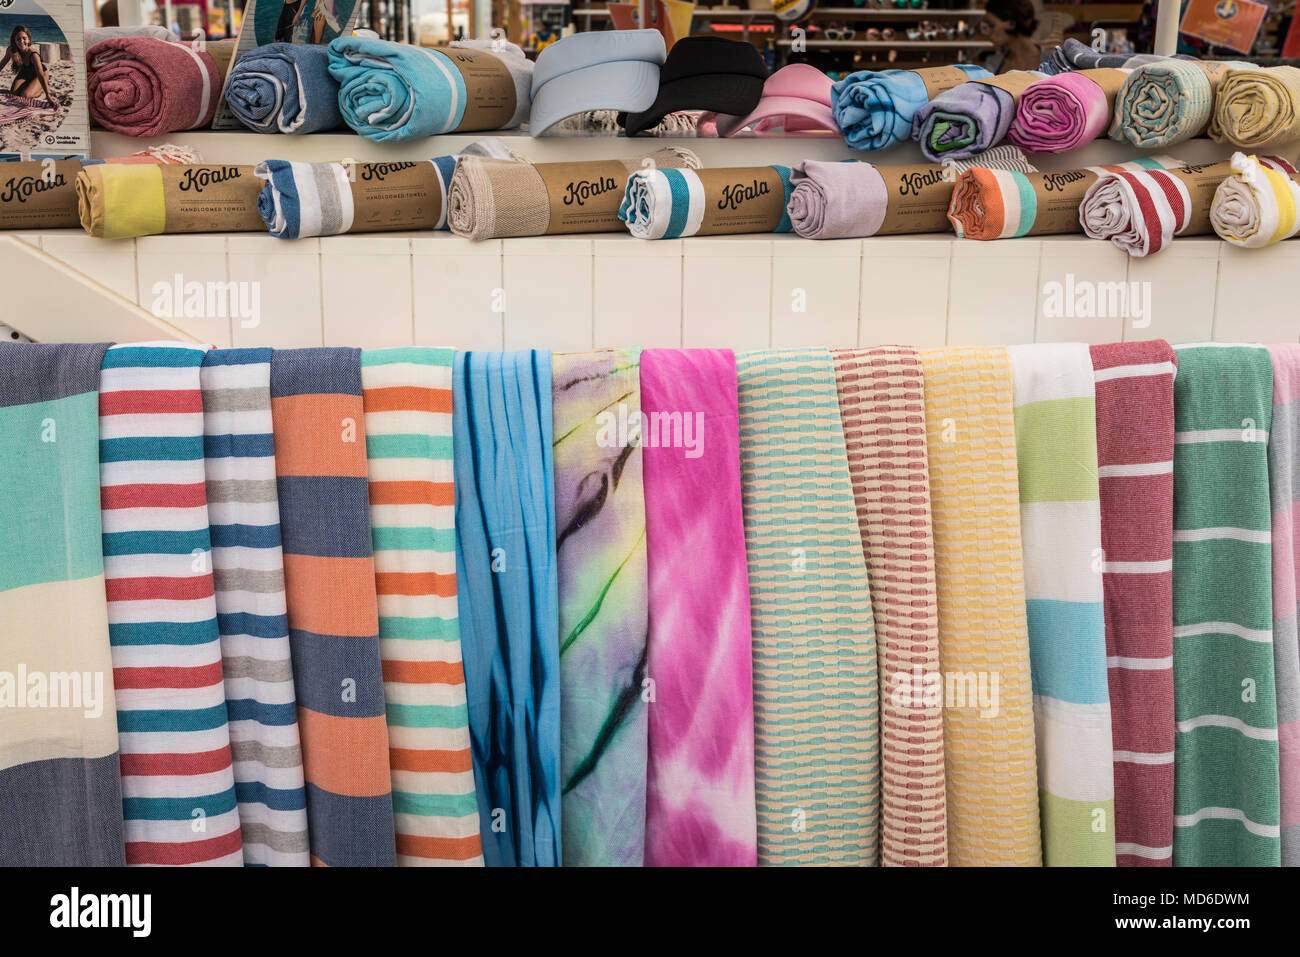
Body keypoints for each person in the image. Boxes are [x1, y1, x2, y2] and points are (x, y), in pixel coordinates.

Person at [978, 0, 1042, 74]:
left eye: (991, 25)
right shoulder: (992, 63)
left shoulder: (1052, 60)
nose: (987, 33)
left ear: (1011, 24)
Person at [0, 26, 54, 105]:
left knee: (25, 95)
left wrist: (48, 95)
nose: (21, 41)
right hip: (25, 74)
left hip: (39, 75)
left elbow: (40, 74)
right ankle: (31, 87)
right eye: (18, 39)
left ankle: (41, 89)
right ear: (14, 40)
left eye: (24, 38)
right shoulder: (11, 50)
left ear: (29, 39)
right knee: (14, 94)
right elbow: (2, 64)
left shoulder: (33, 54)